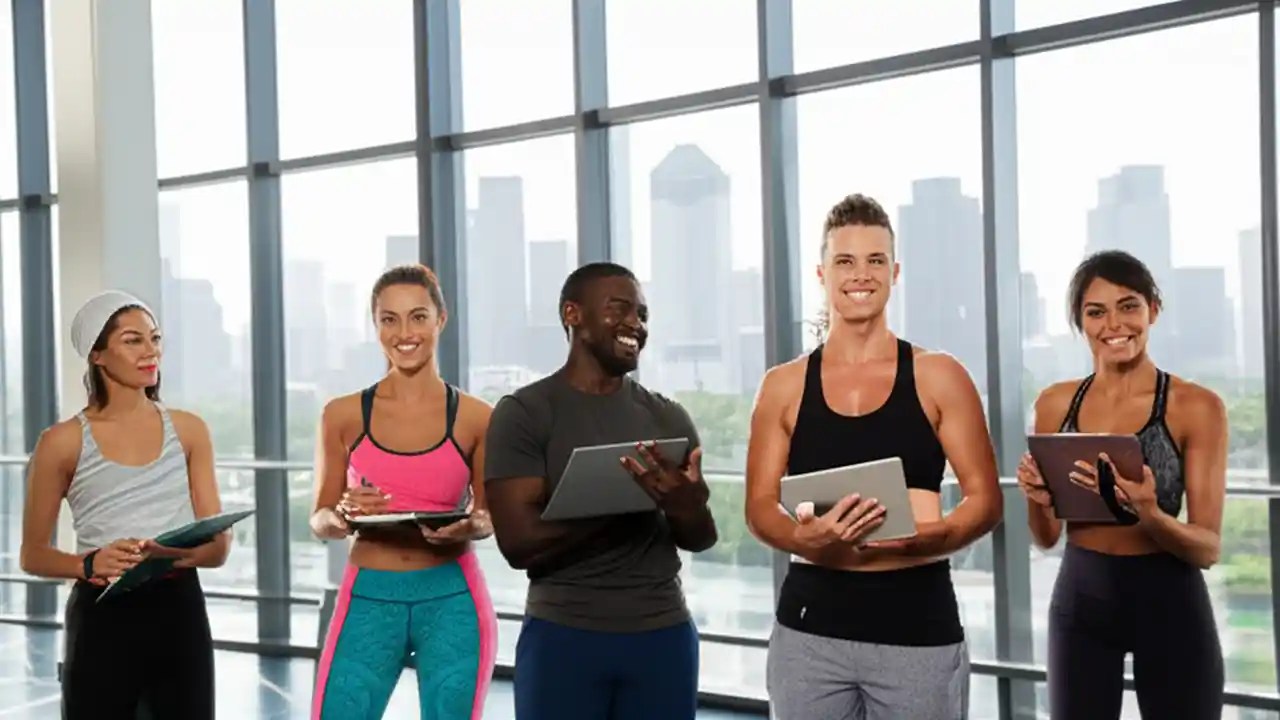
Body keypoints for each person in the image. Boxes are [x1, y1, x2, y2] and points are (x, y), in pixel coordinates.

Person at [745, 193, 1003, 720]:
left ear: (894, 272)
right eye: (845, 261)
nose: (860, 274)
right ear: (822, 274)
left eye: (875, 260)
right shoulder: (782, 385)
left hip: (917, 627)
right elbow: (759, 506)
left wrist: (938, 537)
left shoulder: (940, 376)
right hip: (809, 632)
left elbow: (985, 499)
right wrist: (799, 538)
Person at [484, 262, 718, 720]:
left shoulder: (669, 418)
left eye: (642, 315)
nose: (636, 324)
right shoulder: (524, 413)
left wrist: (686, 507)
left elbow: (701, 538)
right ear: (573, 314)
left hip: (663, 634)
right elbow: (518, 544)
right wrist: (621, 504)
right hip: (563, 636)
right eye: (619, 309)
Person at [1016, 250, 1225, 719]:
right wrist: (1039, 499)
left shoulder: (1196, 407)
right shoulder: (1054, 405)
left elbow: (1207, 549)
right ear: (1080, 322)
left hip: (1170, 602)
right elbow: (1046, 537)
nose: (1114, 324)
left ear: (1153, 310)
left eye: (1129, 306)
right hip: (1081, 601)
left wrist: (1149, 515)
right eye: (1096, 312)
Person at [19, 290, 230, 719]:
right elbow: (32, 555)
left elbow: (218, 547)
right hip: (102, 615)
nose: (151, 351)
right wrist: (88, 564)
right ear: (97, 355)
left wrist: (170, 553)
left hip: (179, 610)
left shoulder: (189, 430)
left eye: (155, 338)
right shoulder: (61, 442)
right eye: (133, 340)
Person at [310, 264, 497, 720]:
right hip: (367, 597)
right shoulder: (342, 415)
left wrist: (470, 525)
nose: (404, 333)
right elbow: (320, 518)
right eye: (389, 319)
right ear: (375, 326)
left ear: (440, 320)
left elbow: (488, 517)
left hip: (453, 601)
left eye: (418, 317)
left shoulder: (477, 417)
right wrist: (343, 514)